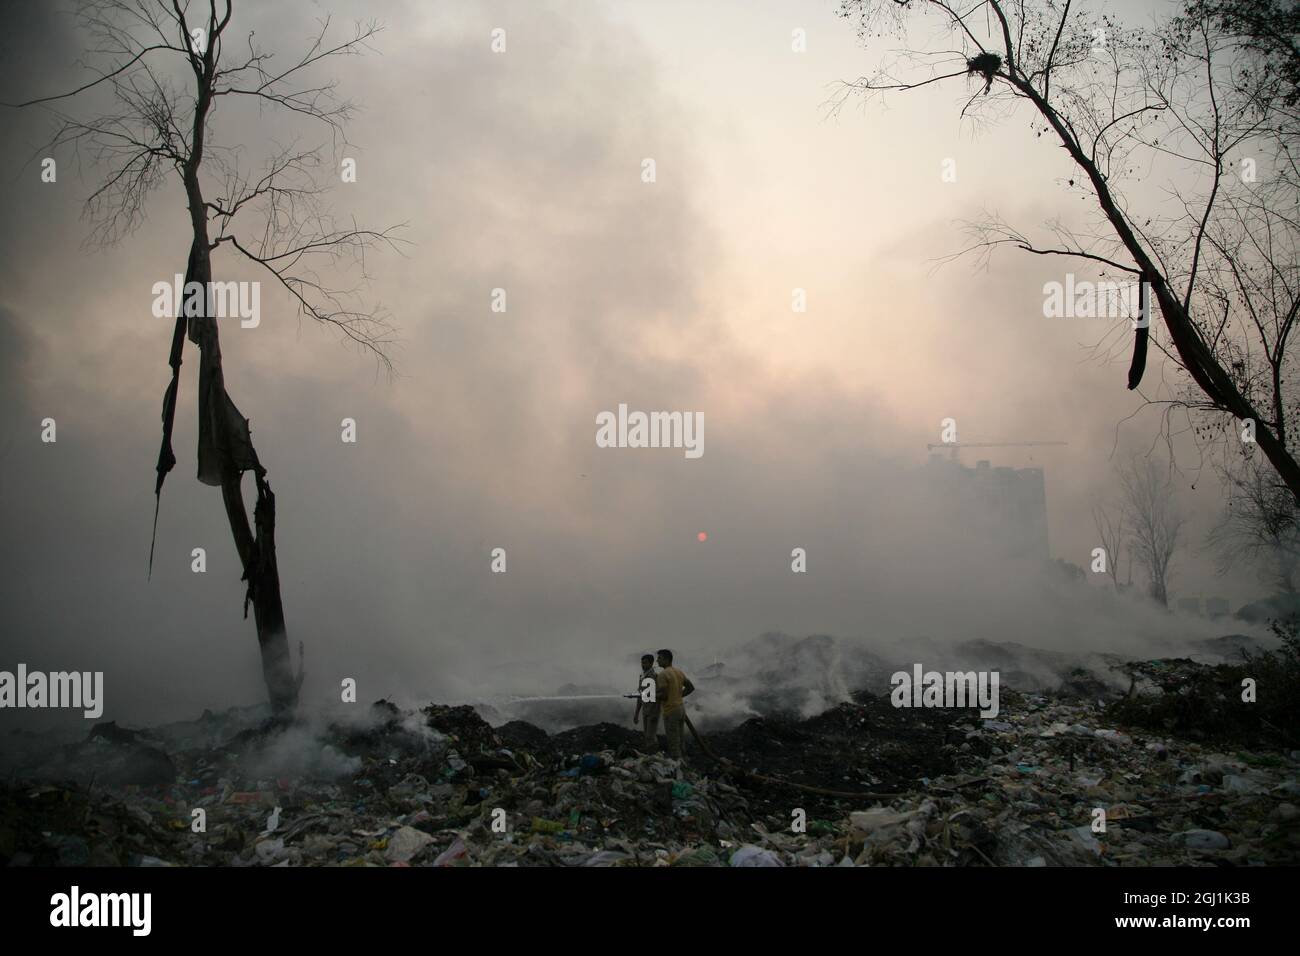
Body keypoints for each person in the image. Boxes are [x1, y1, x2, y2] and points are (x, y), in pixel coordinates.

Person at [654, 649, 695, 760]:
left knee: (673, 741)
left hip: (671, 711)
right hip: (681, 709)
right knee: (680, 739)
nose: (657, 660)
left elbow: (664, 696)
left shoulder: (662, 675)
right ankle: (684, 762)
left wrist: (651, 696)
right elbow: (691, 687)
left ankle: (677, 766)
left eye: (660, 658)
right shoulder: (678, 672)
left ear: (667, 659)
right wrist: (677, 696)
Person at [633, 654, 660, 751]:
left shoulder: (654, 676)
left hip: (653, 710)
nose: (642, 665)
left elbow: (656, 696)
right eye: (642, 662)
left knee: (650, 736)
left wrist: (653, 713)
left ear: (651, 663)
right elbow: (641, 696)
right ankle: (652, 755)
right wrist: (636, 713)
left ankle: (653, 755)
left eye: (645, 663)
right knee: (648, 735)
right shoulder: (642, 676)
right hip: (645, 709)